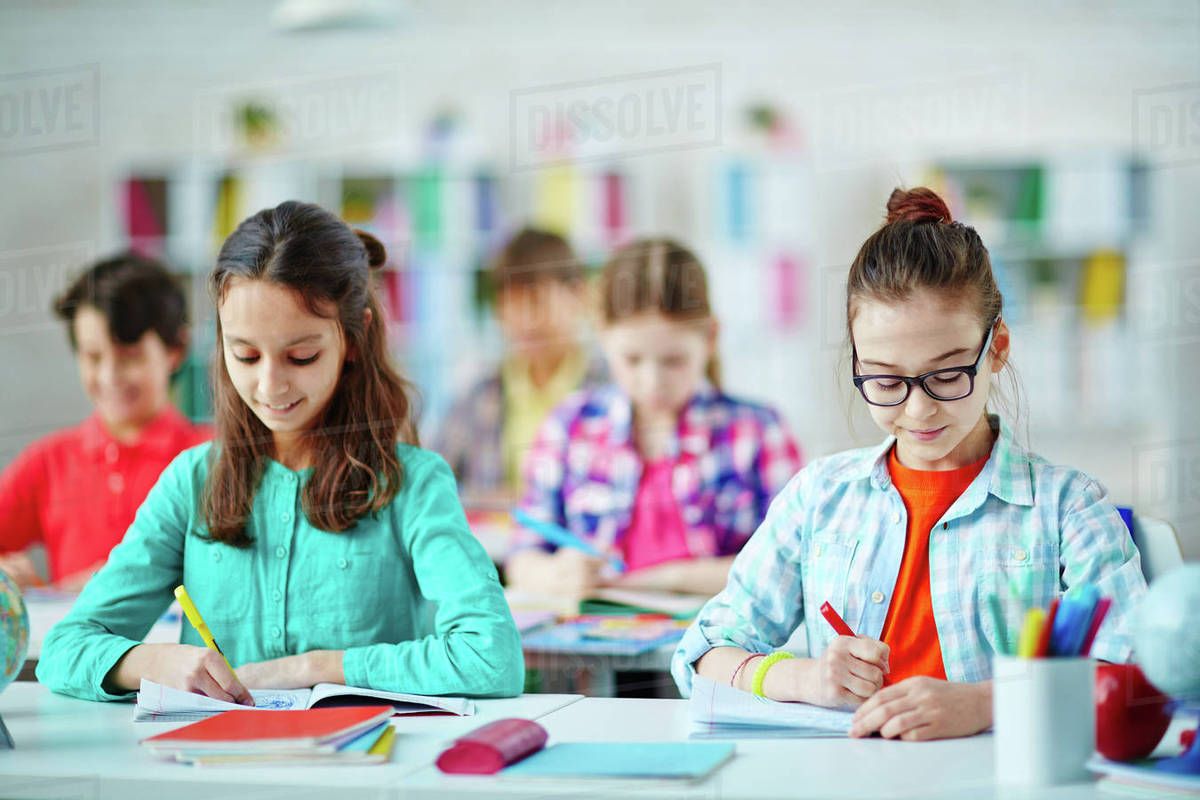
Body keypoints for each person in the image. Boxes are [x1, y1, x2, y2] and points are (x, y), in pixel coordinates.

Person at [672, 187, 1147, 741]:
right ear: (856, 361)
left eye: (947, 375)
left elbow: (1132, 671)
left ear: (996, 349)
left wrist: (988, 704)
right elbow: (699, 655)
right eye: (885, 379)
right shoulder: (819, 497)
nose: (918, 408)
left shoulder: (1067, 506)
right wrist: (800, 676)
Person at [37, 200, 523, 703]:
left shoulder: (413, 485)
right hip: (208, 771)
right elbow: (63, 651)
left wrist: (316, 668)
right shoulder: (192, 481)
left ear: (353, 339)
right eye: (244, 354)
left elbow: (491, 657)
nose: (270, 385)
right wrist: (154, 660)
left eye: (301, 356)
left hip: (363, 773)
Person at [507, 238, 802, 599]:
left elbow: (789, 567)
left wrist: (666, 578)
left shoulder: (758, 431)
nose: (652, 383)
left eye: (674, 361)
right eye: (632, 360)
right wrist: (553, 573)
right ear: (603, 336)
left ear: (710, 337)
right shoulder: (568, 426)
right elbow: (522, 556)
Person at [0, 253, 209, 590]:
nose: (110, 376)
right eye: (93, 357)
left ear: (175, 350)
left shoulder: (213, 456)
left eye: (130, 356)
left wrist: (83, 586)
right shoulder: (50, 461)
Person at [433, 228, 604, 505]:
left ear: (579, 295)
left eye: (537, 302)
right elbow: (431, 484)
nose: (525, 321)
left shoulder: (610, 389)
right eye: (510, 304)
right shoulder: (479, 395)